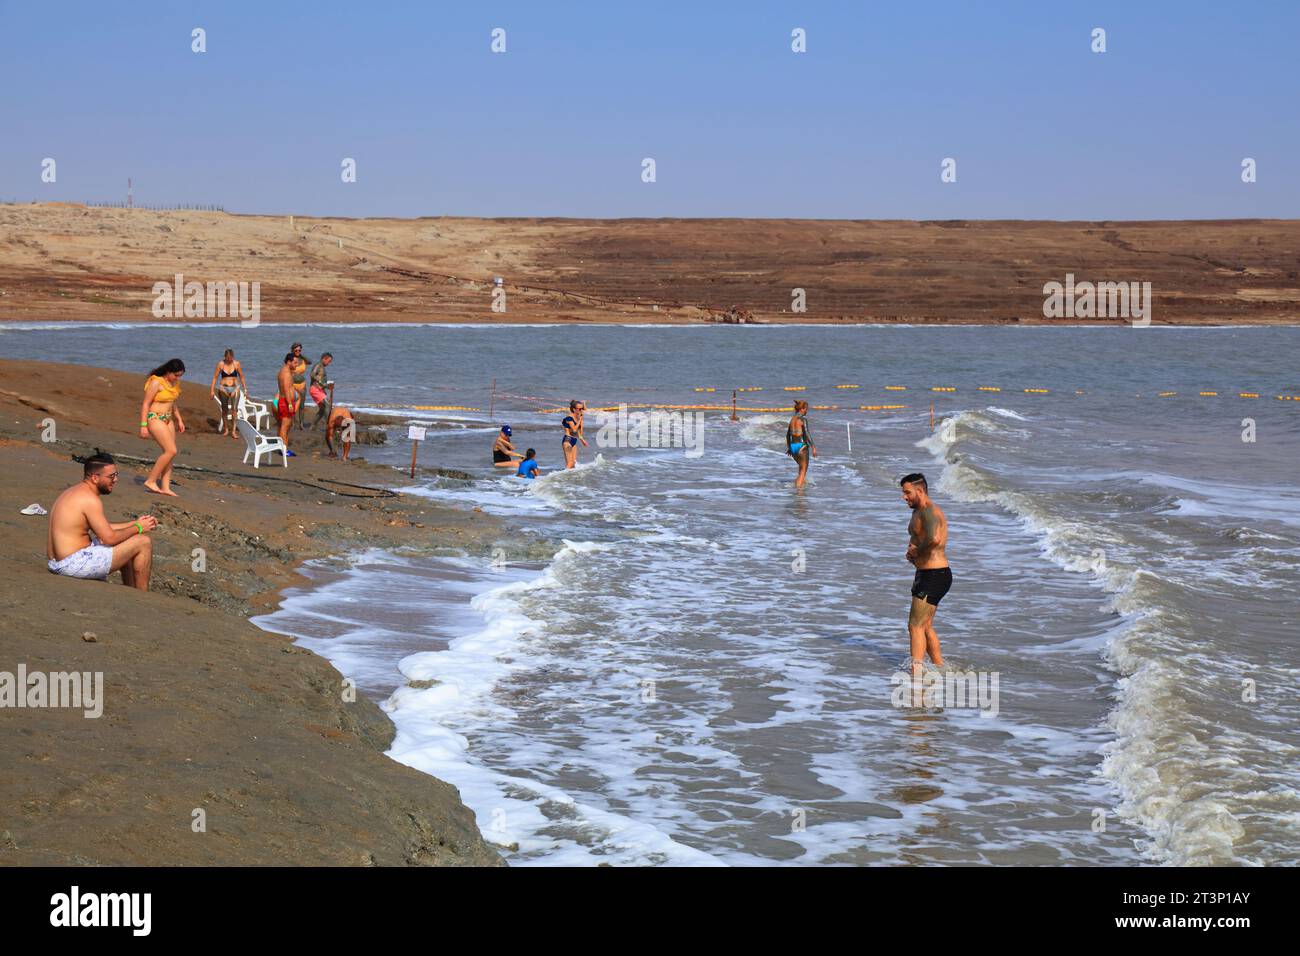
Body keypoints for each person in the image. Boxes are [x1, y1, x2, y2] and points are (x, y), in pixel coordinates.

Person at [47, 452, 157, 590]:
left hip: (57, 562)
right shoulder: (90, 499)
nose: (115, 480)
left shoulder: (72, 492)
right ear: (95, 478)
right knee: (143, 542)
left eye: (116, 475)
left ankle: (131, 591)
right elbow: (109, 538)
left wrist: (136, 523)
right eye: (111, 476)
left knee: (126, 541)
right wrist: (138, 528)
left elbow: (103, 528)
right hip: (73, 563)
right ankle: (142, 595)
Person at [901, 472, 951, 677]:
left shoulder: (929, 511)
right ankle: (940, 667)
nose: (904, 497)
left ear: (919, 491)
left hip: (934, 574)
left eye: (907, 492)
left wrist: (916, 551)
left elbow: (934, 538)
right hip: (929, 574)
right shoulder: (919, 510)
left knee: (915, 625)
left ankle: (917, 672)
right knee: (926, 626)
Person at [139, 358, 186, 496]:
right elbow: (145, 404)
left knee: (169, 454)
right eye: (176, 375)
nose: (178, 378)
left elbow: (172, 402)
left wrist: (179, 419)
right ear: (168, 371)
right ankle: (151, 480)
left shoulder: (174, 383)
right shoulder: (156, 382)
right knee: (171, 451)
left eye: (180, 375)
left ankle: (165, 487)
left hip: (168, 419)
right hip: (155, 418)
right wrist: (143, 426)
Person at [209, 348, 246, 441]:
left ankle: (233, 431)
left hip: (235, 388)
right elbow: (215, 377)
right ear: (225, 357)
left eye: (231, 358)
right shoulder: (221, 364)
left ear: (233, 357)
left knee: (234, 410)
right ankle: (226, 429)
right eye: (227, 358)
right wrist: (212, 390)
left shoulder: (236, 364)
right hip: (223, 388)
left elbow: (241, 376)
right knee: (224, 410)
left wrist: (245, 389)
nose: (229, 360)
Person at [786, 400, 817, 488]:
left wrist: (789, 448)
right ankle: (799, 495)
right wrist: (813, 447)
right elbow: (807, 433)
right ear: (802, 409)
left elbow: (787, 435)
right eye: (806, 409)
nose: (806, 411)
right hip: (801, 446)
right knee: (803, 471)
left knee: (800, 470)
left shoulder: (792, 419)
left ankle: (798, 488)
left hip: (793, 447)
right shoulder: (803, 419)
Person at [274, 352, 298, 456]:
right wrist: (290, 404)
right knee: (285, 425)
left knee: (285, 425)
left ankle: (284, 449)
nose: (296, 364)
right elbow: (287, 390)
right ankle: (283, 450)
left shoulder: (283, 371)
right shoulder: (286, 373)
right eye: (295, 362)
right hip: (285, 402)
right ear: (289, 362)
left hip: (283, 401)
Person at [308, 352, 334, 430]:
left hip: (320, 389)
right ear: (324, 358)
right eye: (328, 361)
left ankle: (312, 426)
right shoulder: (318, 365)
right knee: (327, 404)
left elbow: (320, 379)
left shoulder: (322, 367)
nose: (329, 363)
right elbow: (312, 374)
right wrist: (321, 382)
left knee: (323, 409)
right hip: (315, 389)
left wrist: (326, 386)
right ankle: (329, 425)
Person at [561, 400, 587, 469]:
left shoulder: (577, 418)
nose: (581, 410)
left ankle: (568, 479)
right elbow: (574, 430)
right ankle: (561, 478)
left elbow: (580, 432)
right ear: (574, 409)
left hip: (574, 441)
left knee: (573, 464)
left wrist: (582, 439)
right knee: (569, 464)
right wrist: (580, 419)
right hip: (568, 440)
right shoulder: (569, 418)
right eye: (579, 409)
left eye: (582, 409)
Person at [289, 342, 309, 430]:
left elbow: (310, 361)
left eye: (299, 350)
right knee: (293, 405)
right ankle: (292, 424)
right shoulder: (290, 359)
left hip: (302, 384)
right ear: (292, 350)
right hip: (292, 385)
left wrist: (301, 356)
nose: (298, 351)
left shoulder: (302, 359)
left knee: (301, 405)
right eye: (296, 350)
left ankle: (301, 424)